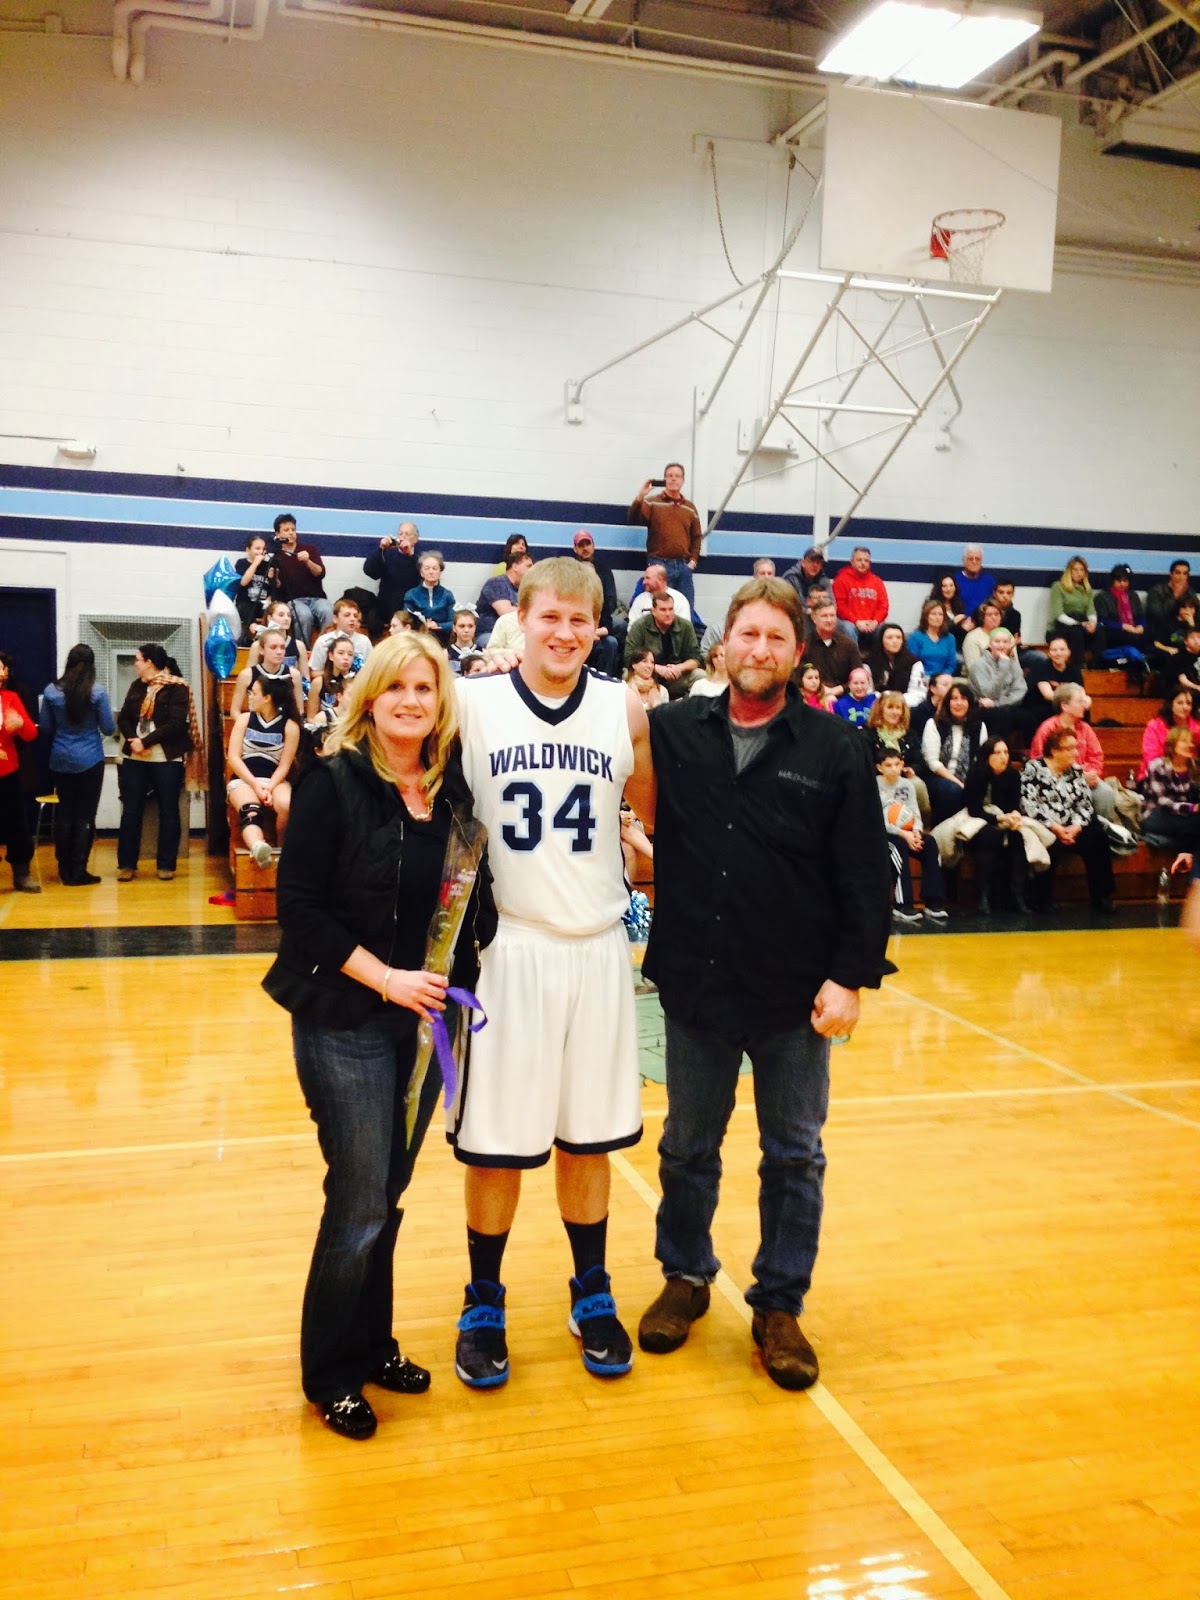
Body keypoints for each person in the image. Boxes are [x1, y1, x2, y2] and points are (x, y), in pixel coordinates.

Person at [636, 576, 892, 1390]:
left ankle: (779, 1304)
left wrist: (850, 978)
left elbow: (865, 876)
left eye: (776, 638)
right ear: (724, 645)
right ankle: (685, 1276)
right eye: (748, 634)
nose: (760, 650)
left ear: (797, 651)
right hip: (697, 981)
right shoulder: (673, 732)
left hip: (795, 994)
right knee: (686, 1146)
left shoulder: (836, 748)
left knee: (794, 1156)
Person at [263, 631, 494, 1439]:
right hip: (346, 1017)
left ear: (441, 705)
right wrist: (387, 978)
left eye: (425, 691)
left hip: (423, 1026)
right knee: (359, 1199)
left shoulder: (451, 791)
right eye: (396, 688)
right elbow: (299, 912)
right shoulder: (334, 784)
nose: (410, 702)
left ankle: (373, 1345)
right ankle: (329, 1373)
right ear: (371, 698)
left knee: (385, 1196)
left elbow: (464, 908)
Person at [450, 556, 655, 1387]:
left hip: (600, 945)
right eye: (549, 618)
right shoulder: (472, 700)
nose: (564, 633)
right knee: (495, 1144)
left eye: (581, 619)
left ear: (598, 627)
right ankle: (484, 1299)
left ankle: (591, 1290)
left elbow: (648, 813)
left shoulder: (626, 707)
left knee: (589, 1135)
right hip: (509, 949)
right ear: (519, 622)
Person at [115, 645, 200, 883]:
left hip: (165, 757)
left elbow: (176, 724)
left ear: (150, 662)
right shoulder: (136, 686)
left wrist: (146, 741)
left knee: (169, 810)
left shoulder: (177, 688)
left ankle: (166, 864)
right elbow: (123, 717)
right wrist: (134, 740)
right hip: (135, 756)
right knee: (131, 809)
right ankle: (127, 864)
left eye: (138, 660)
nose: (135, 664)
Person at [39, 643, 115, 886]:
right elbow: (108, 727)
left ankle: (64, 870)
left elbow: (47, 727)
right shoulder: (98, 693)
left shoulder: (51, 692)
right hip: (90, 759)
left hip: (60, 759)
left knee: (64, 814)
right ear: (91, 666)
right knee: (85, 816)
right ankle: (79, 870)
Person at [1020, 726, 1116, 913]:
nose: (1075, 753)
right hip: (1047, 825)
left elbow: (1085, 804)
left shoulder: (1075, 771)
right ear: (1054, 751)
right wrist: (1055, 827)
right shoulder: (1033, 769)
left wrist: (1077, 827)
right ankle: (1042, 898)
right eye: (1069, 748)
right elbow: (1028, 805)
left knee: (1097, 836)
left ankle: (1102, 896)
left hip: (1072, 826)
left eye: (1076, 748)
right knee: (1049, 841)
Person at [226, 670, 300, 868]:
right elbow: (233, 757)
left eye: (254, 693)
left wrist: (269, 787)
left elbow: (284, 765)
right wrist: (255, 785)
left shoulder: (290, 726)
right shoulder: (244, 720)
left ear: (267, 698)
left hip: (274, 780)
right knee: (251, 808)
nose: (250, 696)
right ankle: (259, 847)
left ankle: (283, 850)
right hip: (244, 779)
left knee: (286, 804)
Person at [877, 749, 947, 925]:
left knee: (929, 843)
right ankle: (903, 904)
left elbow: (915, 813)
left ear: (902, 764)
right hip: (882, 835)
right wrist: (903, 834)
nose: (894, 769)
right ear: (879, 768)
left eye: (897, 764)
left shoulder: (907, 785)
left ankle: (933, 900)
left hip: (907, 833)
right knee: (898, 847)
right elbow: (875, 820)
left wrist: (916, 832)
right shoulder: (873, 785)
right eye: (888, 765)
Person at [1029, 683, 1119, 820]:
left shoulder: (1086, 729)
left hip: (1085, 780)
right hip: (1056, 782)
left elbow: (1096, 758)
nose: (1084, 705)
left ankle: (1101, 833)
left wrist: (1091, 775)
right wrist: (1077, 777)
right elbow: (1040, 762)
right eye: (1079, 701)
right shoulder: (1047, 729)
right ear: (1064, 706)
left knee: (1105, 793)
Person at [962, 738, 1028, 914]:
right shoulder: (977, 774)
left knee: (1018, 838)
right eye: (997, 753)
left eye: (1006, 753)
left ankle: (1017, 895)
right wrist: (1000, 817)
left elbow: (1014, 804)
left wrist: (1014, 816)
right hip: (978, 818)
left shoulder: (1013, 775)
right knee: (989, 836)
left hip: (1003, 818)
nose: (1003, 757)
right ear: (987, 756)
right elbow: (974, 809)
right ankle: (983, 895)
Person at [628, 463, 702, 612]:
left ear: (683, 481)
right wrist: (641, 497)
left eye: (677, 476)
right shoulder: (652, 502)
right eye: (670, 476)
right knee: (656, 609)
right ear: (664, 480)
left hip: (683, 567)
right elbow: (633, 519)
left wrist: (692, 562)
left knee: (685, 610)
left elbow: (697, 536)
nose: (673, 479)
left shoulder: (690, 507)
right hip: (658, 564)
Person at [0, 651, 39, 893]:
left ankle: (21, 873)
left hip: (8, 771)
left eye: (3, 668)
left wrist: (21, 724)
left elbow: (31, 735)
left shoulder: (11, 698)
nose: (2, 671)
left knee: (16, 823)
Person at [922, 681, 987, 822]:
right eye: (954, 699)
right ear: (948, 702)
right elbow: (932, 763)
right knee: (952, 790)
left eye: (963, 699)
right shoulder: (934, 724)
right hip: (938, 778)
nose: (958, 703)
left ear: (970, 703)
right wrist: (958, 783)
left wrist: (970, 783)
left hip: (968, 777)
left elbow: (981, 759)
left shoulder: (979, 727)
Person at [624, 593, 702, 700]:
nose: (668, 613)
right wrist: (656, 668)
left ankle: (688, 708)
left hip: (676, 676)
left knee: (700, 676)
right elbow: (629, 657)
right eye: (663, 610)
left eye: (671, 609)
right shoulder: (639, 626)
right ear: (653, 611)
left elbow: (696, 658)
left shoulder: (685, 626)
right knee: (626, 675)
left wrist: (680, 668)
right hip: (648, 674)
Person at [273, 513, 333, 645]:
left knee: (327, 610)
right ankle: (303, 651)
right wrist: (274, 575)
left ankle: (327, 648)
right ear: (277, 534)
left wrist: (308, 561)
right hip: (293, 601)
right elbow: (276, 586)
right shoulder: (276, 556)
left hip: (317, 598)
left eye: (293, 530)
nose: (291, 533)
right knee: (304, 615)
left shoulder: (309, 549)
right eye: (286, 530)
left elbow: (320, 573)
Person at [1139, 728, 1200, 854]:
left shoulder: (1194, 767)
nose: (1190, 745)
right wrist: (1192, 808)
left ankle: (1183, 847)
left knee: (1193, 826)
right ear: (1172, 745)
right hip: (1157, 815)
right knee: (1195, 826)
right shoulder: (1157, 766)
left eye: (1191, 742)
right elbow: (1163, 802)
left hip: (1184, 817)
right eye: (1184, 741)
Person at [967, 627, 1029, 749]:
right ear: (990, 644)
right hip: (981, 707)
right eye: (997, 642)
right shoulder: (979, 665)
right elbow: (989, 693)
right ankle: (996, 752)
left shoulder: (1013, 663)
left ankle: (1026, 756)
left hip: (1003, 705)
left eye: (1005, 642)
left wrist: (997, 703)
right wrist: (1003, 665)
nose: (1001, 645)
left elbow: (1020, 690)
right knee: (1001, 716)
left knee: (1028, 717)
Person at [570, 530, 621, 675]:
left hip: (598, 626)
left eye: (588, 544)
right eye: (581, 545)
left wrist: (594, 633)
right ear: (575, 549)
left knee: (612, 642)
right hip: (576, 631)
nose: (585, 548)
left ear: (594, 546)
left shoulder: (604, 570)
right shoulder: (569, 569)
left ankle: (607, 679)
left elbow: (610, 605)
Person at [363, 521, 421, 636]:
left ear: (416, 539)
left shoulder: (421, 557)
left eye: (407, 534)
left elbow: (426, 578)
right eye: (401, 533)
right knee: (372, 618)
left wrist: (410, 555)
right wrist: (381, 550)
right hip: (386, 603)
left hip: (409, 605)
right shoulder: (388, 554)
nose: (403, 536)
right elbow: (370, 571)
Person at [232, 626, 304, 719]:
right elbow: (234, 711)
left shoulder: (294, 675)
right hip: (256, 727)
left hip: (284, 728)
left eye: (282, 648)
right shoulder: (247, 675)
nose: (279, 652)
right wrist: (247, 726)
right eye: (273, 647)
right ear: (261, 650)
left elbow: (300, 710)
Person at [800, 599, 862, 699]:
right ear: (814, 618)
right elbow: (798, 677)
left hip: (846, 698)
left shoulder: (848, 645)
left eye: (832, 615)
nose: (829, 620)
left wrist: (837, 690)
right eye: (824, 616)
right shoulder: (805, 646)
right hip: (813, 698)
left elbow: (858, 675)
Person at [831, 546, 888, 647]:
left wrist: (875, 622)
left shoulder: (877, 582)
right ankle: (855, 660)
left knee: (885, 628)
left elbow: (883, 606)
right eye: (859, 560)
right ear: (852, 561)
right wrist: (856, 622)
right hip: (851, 624)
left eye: (866, 560)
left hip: (872, 624)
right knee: (848, 627)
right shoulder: (841, 580)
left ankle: (877, 661)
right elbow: (840, 607)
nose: (863, 563)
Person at [1047, 556, 1098, 668]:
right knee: (1077, 631)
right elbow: (1058, 614)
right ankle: (1078, 667)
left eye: (1082, 570)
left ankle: (1097, 666)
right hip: (1061, 626)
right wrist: (1079, 624)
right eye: (1075, 569)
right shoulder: (1058, 587)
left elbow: (1091, 611)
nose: (1079, 573)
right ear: (1069, 571)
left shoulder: (1086, 590)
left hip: (1081, 623)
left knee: (1100, 631)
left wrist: (1092, 623)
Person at [1139, 688, 1200, 781]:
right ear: (1171, 704)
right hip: (1158, 775)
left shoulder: (1197, 728)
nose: (1185, 707)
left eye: (1188, 703)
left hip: (1190, 776)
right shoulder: (1155, 726)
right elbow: (1150, 758)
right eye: (1180, 703)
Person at [476, 550, 533, 648]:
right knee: (514, 649)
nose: (532, 570)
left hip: (514, 634)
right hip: (489, 633)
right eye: (528, 566)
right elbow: (506, 612)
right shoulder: (496, 583)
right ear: (515, 566)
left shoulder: (524, 588)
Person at [1093, 563, 1146, 666]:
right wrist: (1123, 626)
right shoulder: (1102, 597)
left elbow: (1140, 615)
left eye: (1125, 581)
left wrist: (1141, 626)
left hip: (1134, 630)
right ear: (1113, 581)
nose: (1122, 584)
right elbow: (1103, 620)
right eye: (1119, 581)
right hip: (1115, 632)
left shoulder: (1133, 596)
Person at [1145, 561, 1199, 657]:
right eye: (1178, 573)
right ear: (1171, 574)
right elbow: (1157, 615)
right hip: (1162, 634)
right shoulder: (1157, 591)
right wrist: (1176, 596)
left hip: (1187, 637)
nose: (1181, 577)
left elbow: (1197, 616)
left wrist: (1191, 624)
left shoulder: (1190, 593)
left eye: (1185, 573)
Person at [865, 622, 926, 707]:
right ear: (881, 640)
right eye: (889, 638)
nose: (895, 641)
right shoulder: (868, 662)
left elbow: (918, 694)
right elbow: (867, 692)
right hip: (877, 708)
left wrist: (896, 701)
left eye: (898, 637)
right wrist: (885, 701)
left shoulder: (914, 663)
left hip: (905, 707)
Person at [309, 597, 372, 675]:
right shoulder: (323, 641)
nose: (352, 619)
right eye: (347, 615)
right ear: (335, 619)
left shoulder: (364, 641)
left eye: (355, 616)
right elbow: (314, 672)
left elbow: (371, 671)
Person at [234, 534, 280, 641]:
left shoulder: (267, 565)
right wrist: (255, 564)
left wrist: (274, 578)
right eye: (257, 548)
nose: (261, 552)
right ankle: (255, 629)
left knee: (276, 608)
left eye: (263, 549)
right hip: (246, 603)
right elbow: (243, 582)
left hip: (263, 605)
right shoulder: (242, 563)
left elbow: (276, 587)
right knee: (245, 608)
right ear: (248, 550)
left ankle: (275, 634)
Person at [404, 552, 456, 641]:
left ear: (440, 572)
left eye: (434, 568)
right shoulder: (411, 594)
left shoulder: (447, 595)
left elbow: (453, 623)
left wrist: (438, 625)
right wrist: (423, 626)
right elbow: (406, 620)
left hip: (442, 638)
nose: (431, 572)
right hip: (418, 637)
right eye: (427, 569)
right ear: (421, 572)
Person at [627, 562, 693, 625]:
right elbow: (632, 629)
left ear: (660, 580)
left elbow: (685, 631)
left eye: (648, 578)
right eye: (644, 578)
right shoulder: (640, 600)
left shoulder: (679, 600)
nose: (644, 582)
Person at [908, 598, 958, 679]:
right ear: (926, 616)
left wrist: (941, 677)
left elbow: (951, 665)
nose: (937, 617)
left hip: (943, 679)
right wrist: (928, 678)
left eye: (940, 614)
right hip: (921, 678)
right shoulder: (915, 637)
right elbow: (912, 664)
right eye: (933, 614)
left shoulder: (950, 638)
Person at [929, 574, 972, 646]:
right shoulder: (933, 605)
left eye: (951, 585)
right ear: (939, 588)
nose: (948, 589)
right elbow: (936, 629)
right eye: (944, 586)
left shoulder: (959, 604)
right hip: (940, 643)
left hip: (959, 643)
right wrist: (953, 622)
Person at [961, 599, 1003, 671]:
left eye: (996, 614)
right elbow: (973, 669)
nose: (994, 617)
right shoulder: (972, 637)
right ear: (982, 617)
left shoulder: (1007, 635)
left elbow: (1016, 667)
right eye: (989, 615)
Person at [956, 544, 995, 617]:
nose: (974, 562)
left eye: (977, 559)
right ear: (963, 561)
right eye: (971, 559)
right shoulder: (954, 581)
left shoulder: (989, 581)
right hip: (961, 624)